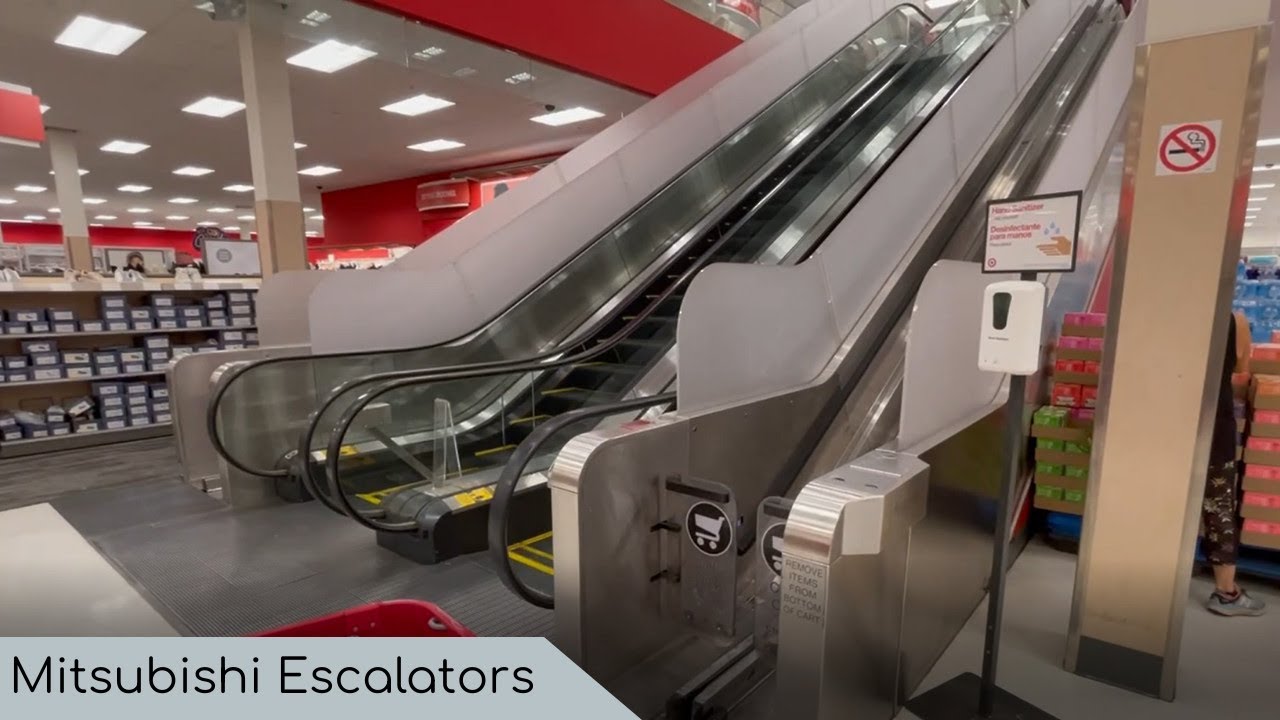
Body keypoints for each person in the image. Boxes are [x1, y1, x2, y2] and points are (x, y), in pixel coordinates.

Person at [1204, 310, 1266, 616]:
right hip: (1215, 417)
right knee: (1218, 506)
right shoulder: (1234, 320)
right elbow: (1242, 368)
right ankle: (1226, 592)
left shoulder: (1170, 311)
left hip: (1172, 417)